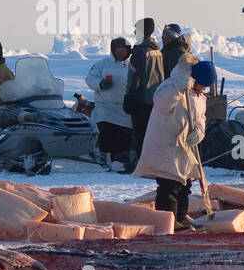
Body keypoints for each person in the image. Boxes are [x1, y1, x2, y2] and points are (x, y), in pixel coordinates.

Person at [134, 57, 215, 231]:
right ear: (193, 78)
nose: (203, 89)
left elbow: (201, 120)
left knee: (184, 187)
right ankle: (167, 222)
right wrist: (180, 85)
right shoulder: (172, 87)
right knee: (168, 188)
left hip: (185, 150)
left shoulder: (200, 97)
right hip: (166, 147)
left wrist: (199, 133)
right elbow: (161, 103)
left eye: (205, 87)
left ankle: (180, 218)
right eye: (201, 84)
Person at [122, 17, 164, 170]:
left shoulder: (140, 50)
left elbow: (135, 75)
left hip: (141, 99)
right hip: (155, 97)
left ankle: (142, 164)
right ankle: (152, 162)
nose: (134, 32)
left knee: (140, 134)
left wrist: (129, 96)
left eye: (136, 29)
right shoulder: (156, 48)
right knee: (151, 133)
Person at [86, 37, 133, 168]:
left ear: (128, 51)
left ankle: (121, 160)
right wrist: (100, 84)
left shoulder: (133, 65)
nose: (120, 53)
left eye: (122, 50)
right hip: (105, 107)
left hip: (125, 108)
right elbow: (89, 78)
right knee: (106, 133)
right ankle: (104, 158)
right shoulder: (103, 64)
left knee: (123, 135)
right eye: (117, 50)